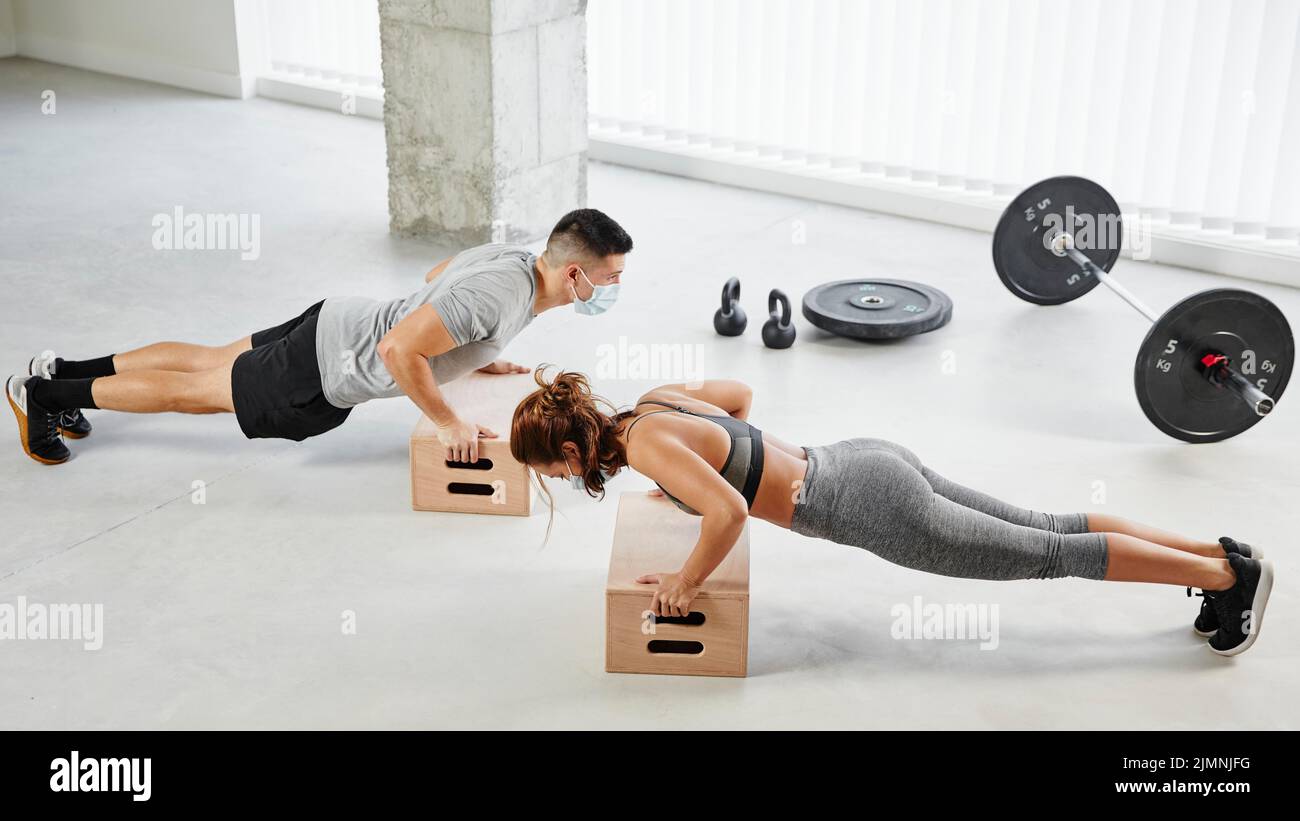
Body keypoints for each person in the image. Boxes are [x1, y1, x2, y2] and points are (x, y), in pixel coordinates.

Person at [509, 369, 1274, 657]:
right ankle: (1216, 551)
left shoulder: (644, 449)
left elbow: (730, 518)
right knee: (1054, 525)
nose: (557, 480)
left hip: (866, 506)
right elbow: (737, 399)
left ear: (571, 456)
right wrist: (688, 480)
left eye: (549, 471)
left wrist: (682, 581)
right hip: (863, 457)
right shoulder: (651, 404)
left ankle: (1226, 575)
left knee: (1049, 554)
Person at [7, 210, 632, 465]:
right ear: (575, 273)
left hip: (335, 320)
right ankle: (44, 395)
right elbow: (397, 350)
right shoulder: (502, 297)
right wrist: (447, 421)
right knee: (191, 392)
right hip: (330, 365)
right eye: (610, 278)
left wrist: (474, 354)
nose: (613, 288)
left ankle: (62, 369)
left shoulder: (517, 260)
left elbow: (436, 280)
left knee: (207, 357)